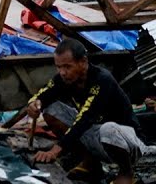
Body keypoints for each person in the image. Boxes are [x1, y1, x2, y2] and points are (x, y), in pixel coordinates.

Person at [27, 39, 152, 183]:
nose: (62, 72)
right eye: (58, 67)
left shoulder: (102, 79)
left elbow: (86, 116)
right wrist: (34, 104)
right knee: (51, 109)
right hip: (97, 135)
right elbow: (44, 93)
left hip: (128, 141)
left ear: (83, 62)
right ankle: (90, 163)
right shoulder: (64, 79)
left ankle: (127, 172)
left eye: (67, 66)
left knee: (108, 129)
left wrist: (56, 150)